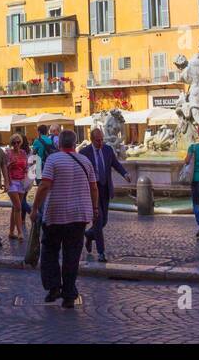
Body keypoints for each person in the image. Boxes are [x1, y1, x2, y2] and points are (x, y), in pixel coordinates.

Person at [31, 130, 98, 309]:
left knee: (50, 251)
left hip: (56, 214)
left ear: (59, 143)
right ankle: (69, 295)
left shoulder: (53, 160)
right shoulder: (86, 161)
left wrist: (35, 208)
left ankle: (54, 287)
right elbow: (94, 188)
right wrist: (95, 208)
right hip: (79, 215)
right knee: (72, 255)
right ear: (75, 143)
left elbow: (44, 185)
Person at [79, 127, 130, 262]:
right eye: (97, 140)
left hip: (105, 189)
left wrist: (125, 173)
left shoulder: (107, 150)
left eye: (102, 140)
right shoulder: (84, 153)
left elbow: (115, 164)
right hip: (92, 190)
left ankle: (89, 235)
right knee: (97, 219)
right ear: (92, 140)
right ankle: (101, 252)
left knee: (104, 221)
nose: (100, 143)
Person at [6, 133, 29, 240]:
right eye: (14, 142)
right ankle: (20, 233)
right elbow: (5, 168)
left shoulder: (23, 153)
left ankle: (11, 232)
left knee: (15, 208)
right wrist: (10, 164)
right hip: (12, 182)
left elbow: (26, 167)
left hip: (21, 182)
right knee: (19, 207)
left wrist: (26, 174)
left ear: (21, 142)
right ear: (11, 143)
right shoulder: (8, 153)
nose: (16, 144)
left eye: (18, 142)